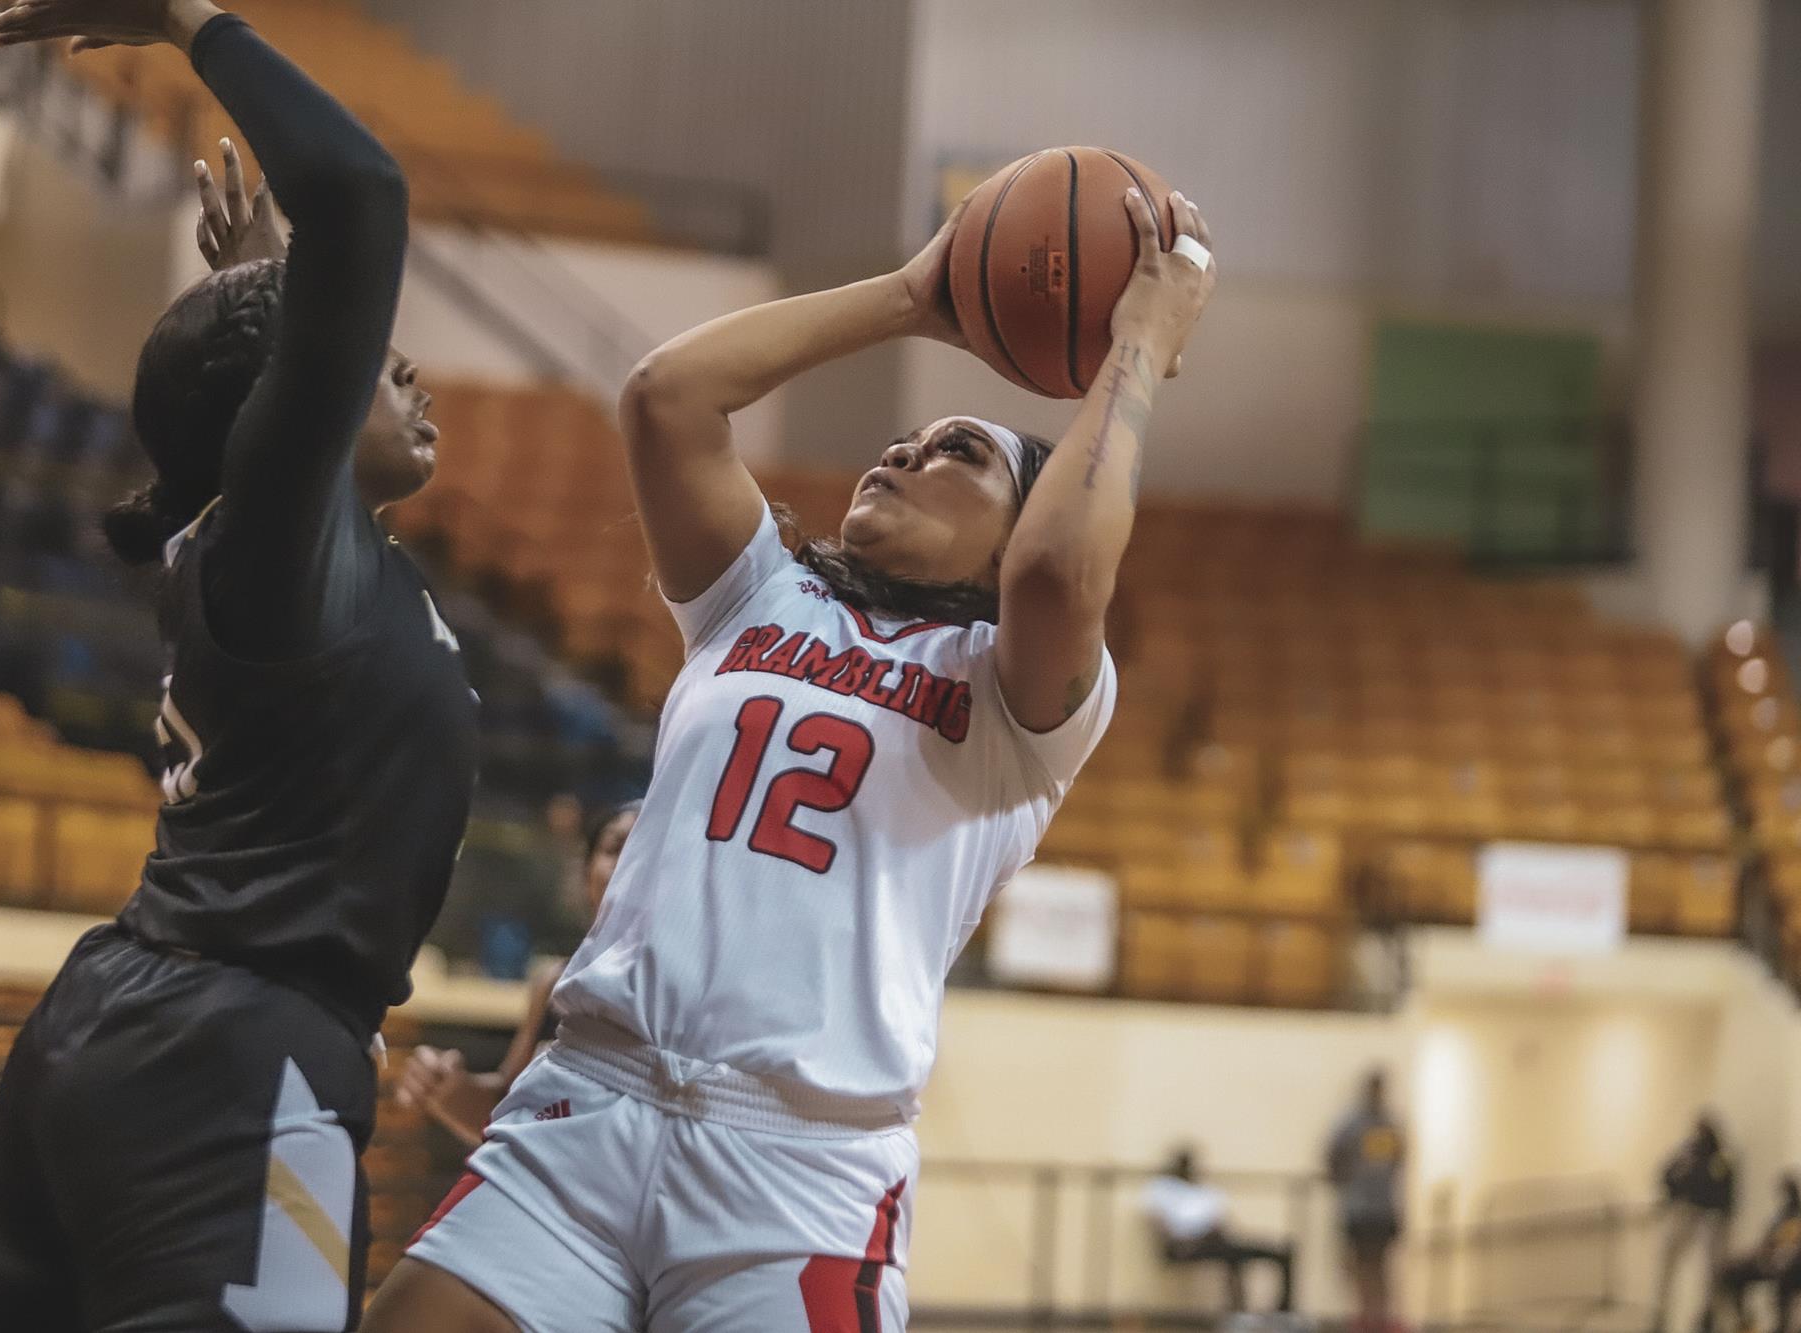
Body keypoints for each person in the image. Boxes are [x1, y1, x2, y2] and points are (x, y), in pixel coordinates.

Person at [361, 175, 1216, 1330]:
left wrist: (1139, 345)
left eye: (954, 451)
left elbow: (1060, 572)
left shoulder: (1018, 699)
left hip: (795, 1171)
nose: (901, 454)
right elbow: (665, 397)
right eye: (900, 438)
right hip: (586, 1107)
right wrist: (920, 294)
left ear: (1010, 531)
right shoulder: (757, 598)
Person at [0, 3, 481, 1330]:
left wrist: (263, 282)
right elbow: (364, 190)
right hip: (234, 1057)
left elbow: (291, 356)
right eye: (368, 359)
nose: (405, 373)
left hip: (121, 1022)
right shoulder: (270, 546)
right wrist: (191, 17)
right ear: (282, 410)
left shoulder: (258, 549)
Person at [397, 801, 643, 1147]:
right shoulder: (554, 983)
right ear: (584, 871)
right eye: (616, 848)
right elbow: (507, 1111)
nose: (632, 863)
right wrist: (447, 1091)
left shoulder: (692, 994)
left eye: (647, 849)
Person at [1139, 1147, 1295, 1315]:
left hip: (1215, 1241)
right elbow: (1159, 1223)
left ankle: (1277, 1314)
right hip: (1185, 1246)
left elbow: (1221, 1223)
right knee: (1233, 1253)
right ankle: (1239, 1312)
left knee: (1278, 1251)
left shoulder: (1206, 1192)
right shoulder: (1161, 1189)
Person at [1326, 1067, 1405, 1332]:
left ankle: (1380, 1316)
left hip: (1382, 1208)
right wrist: (1345, 1183)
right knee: (1360, 1264)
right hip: (1358, 1208)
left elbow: (1398, 1158)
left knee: (1381, 1265)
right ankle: (1365, 1316)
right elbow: (1332, 1156)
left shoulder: (1390, 1124)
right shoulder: (1350, 1124)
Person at [1659, 1115, 1738, 1333]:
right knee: (1669, 1265)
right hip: (1684, 1211)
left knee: (1709, 1271)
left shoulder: (1719, 1156)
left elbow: (1720, 1187)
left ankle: (1708, 1317)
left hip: (1710, 1217)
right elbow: (1667, 1174)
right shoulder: (1687, 1152)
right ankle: (1661, 1315)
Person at [1709, 1174, 1801, 1333]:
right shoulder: (1779, 1217)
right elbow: (1767, 1243)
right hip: (1771, 1261)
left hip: (1792, 1266)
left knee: (1786, 1273)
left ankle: (1781, 1326)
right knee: (1731, 1269)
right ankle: (1744, 1324)